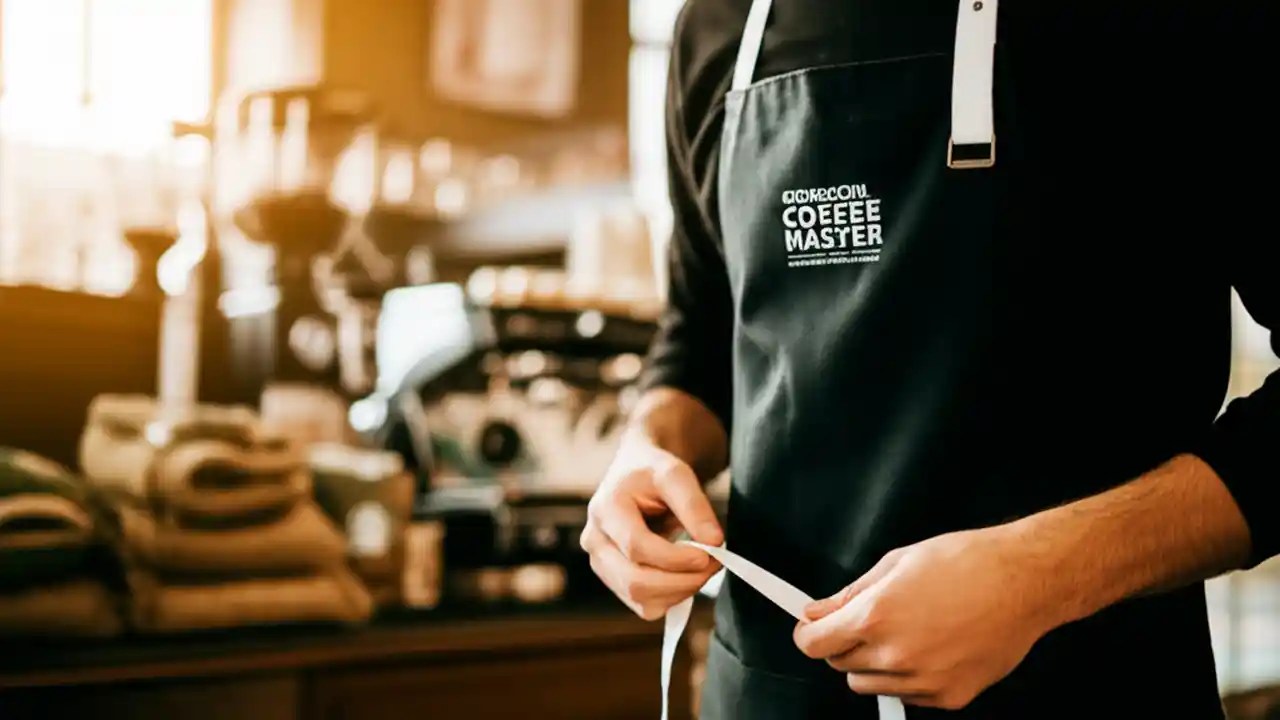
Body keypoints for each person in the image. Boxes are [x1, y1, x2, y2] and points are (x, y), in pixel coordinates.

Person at [580, 0, 1279, 717]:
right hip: (768, 690)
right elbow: (700, 337)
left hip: (1087, 689)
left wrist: (1043, 576)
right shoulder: (717, 26)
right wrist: (648, 449)